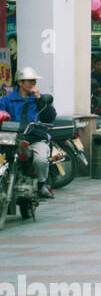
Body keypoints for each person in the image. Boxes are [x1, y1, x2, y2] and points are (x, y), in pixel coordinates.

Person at [0, 68, 54, 199]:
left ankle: (42, 184)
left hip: (35, 138)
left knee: (41, 159)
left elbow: (49, 117)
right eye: (30, 81)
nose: (33, 84)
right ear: (20, 82)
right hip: (12, 139)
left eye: (34, 81)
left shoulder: (39, 99)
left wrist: (39, 99)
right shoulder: (7, 100)